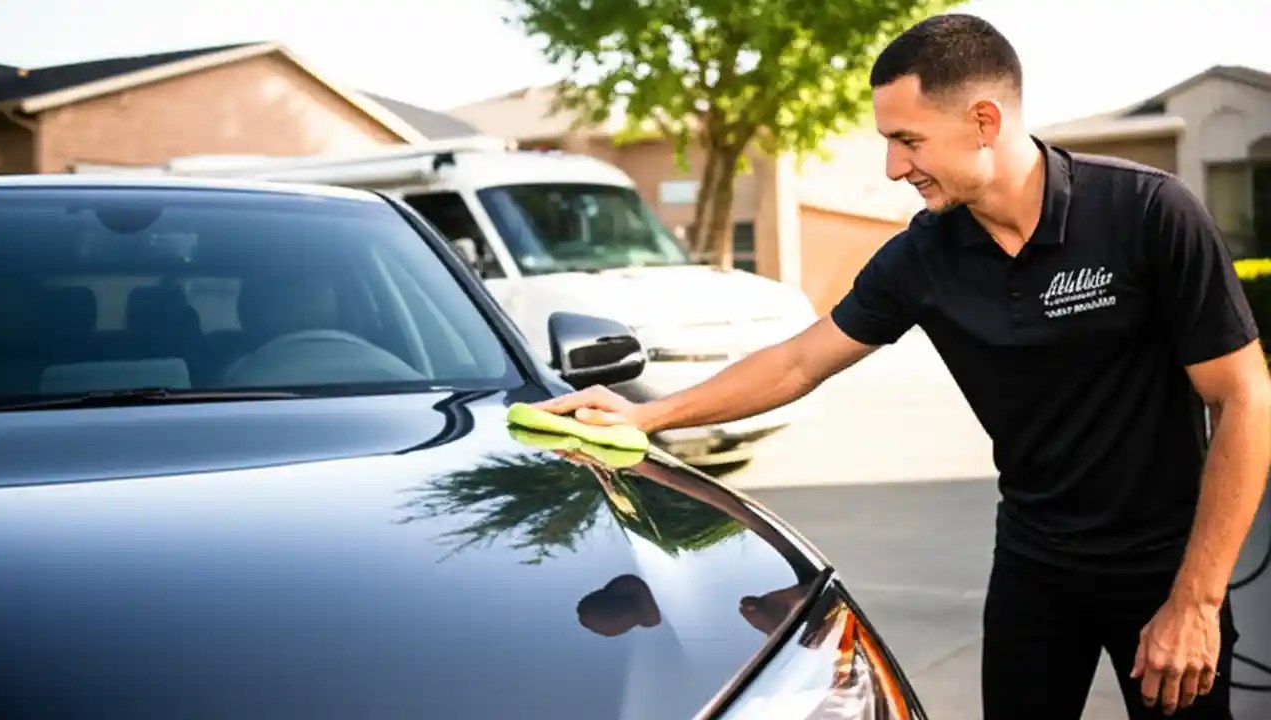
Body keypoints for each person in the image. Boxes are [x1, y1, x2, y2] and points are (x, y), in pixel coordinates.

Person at [533, 12, 1271, 719]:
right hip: (1036, 566)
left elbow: (1242, 398)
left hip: (1168, 567)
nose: (892, 167)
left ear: (984, 121)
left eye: (907, 140)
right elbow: (797, 361)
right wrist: (646, 415)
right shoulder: (926, 255)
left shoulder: (1147, 214)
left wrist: (1198, 602)